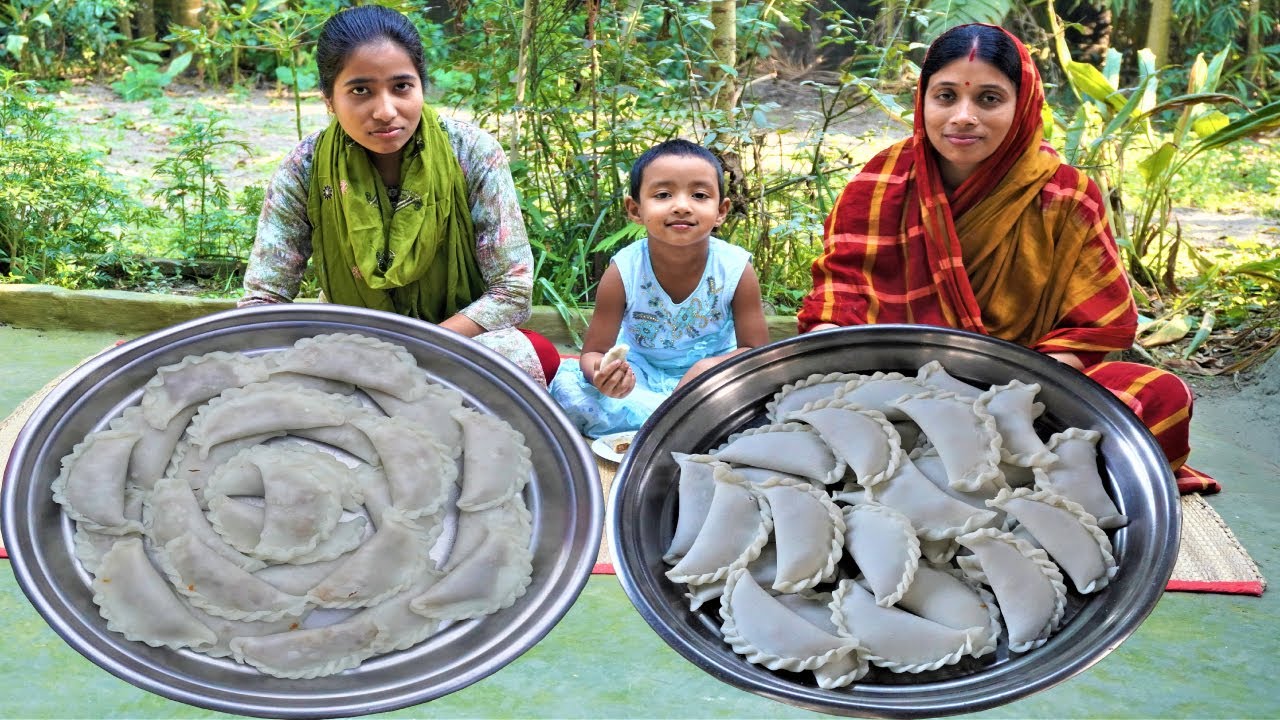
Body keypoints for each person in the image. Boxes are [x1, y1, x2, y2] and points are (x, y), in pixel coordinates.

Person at [797, 23, 1219, 494]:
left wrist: (1010, 405)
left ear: (1023, 106)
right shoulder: (880, 184)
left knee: (1159, 395)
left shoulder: (1065, 194)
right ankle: (1022, 477)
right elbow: (840, 298)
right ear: (922, 101)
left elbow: (1091, 328)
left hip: (1027, 390)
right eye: (946, 96)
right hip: (893, 386)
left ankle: (976, 466)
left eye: (989, 100)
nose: (962, 116)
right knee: (804, 406)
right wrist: (827, 374)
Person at [238, 5, 559, 385]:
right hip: (356, 344)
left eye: (401, 87)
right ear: (329, 99)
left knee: (535, 355)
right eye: (361, 90)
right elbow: (263, 301)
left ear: (421, 85)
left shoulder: (472, 151)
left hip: (452, 341)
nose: (386, 111)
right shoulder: (305, 167)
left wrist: (416, 348)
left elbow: (513, 289)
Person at [549, 139, 770, 438]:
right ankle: (682, 427)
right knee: (571, 394)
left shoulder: (735, 270)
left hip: (713, 378)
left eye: (699, 195)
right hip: (640, 376)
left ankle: (676, 423)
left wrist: (709, 368)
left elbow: (755, 353)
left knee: (761, 402)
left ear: (721, 210)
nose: (681, 206)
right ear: (635, 209)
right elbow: (593, 353)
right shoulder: (623, 272)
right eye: (664, 194)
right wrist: (604, 375)